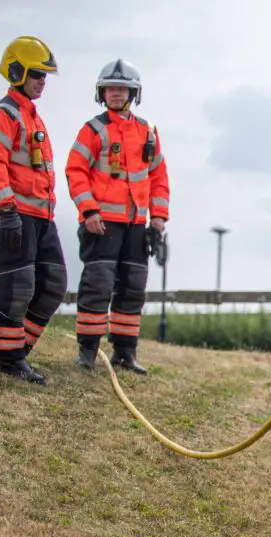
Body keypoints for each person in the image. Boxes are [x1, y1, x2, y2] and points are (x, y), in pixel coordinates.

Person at [65, 58, 169, 375]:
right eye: (110, 88)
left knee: (133, 288)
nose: (115, 93)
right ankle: (88, 350)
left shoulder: (148, 132)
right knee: (98, 286)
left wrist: (159, 218)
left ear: (132, 93)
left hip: (137, 226)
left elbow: (159, 178)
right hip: (101, 225)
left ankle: (126, 351)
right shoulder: (92, 130)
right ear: (102, 92)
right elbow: (75, 171)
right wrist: (89, 211)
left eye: (121, 88)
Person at [0, 36, 67, 385]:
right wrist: (6, 209)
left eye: (45, 75)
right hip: (14, 215)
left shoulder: (32, 117)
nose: (42, 81)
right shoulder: (4, 115)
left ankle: (14, 350)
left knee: (54, 283)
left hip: (41, 218)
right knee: (16, 287)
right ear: (18, 71)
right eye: (37, 74)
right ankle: (10, 361)